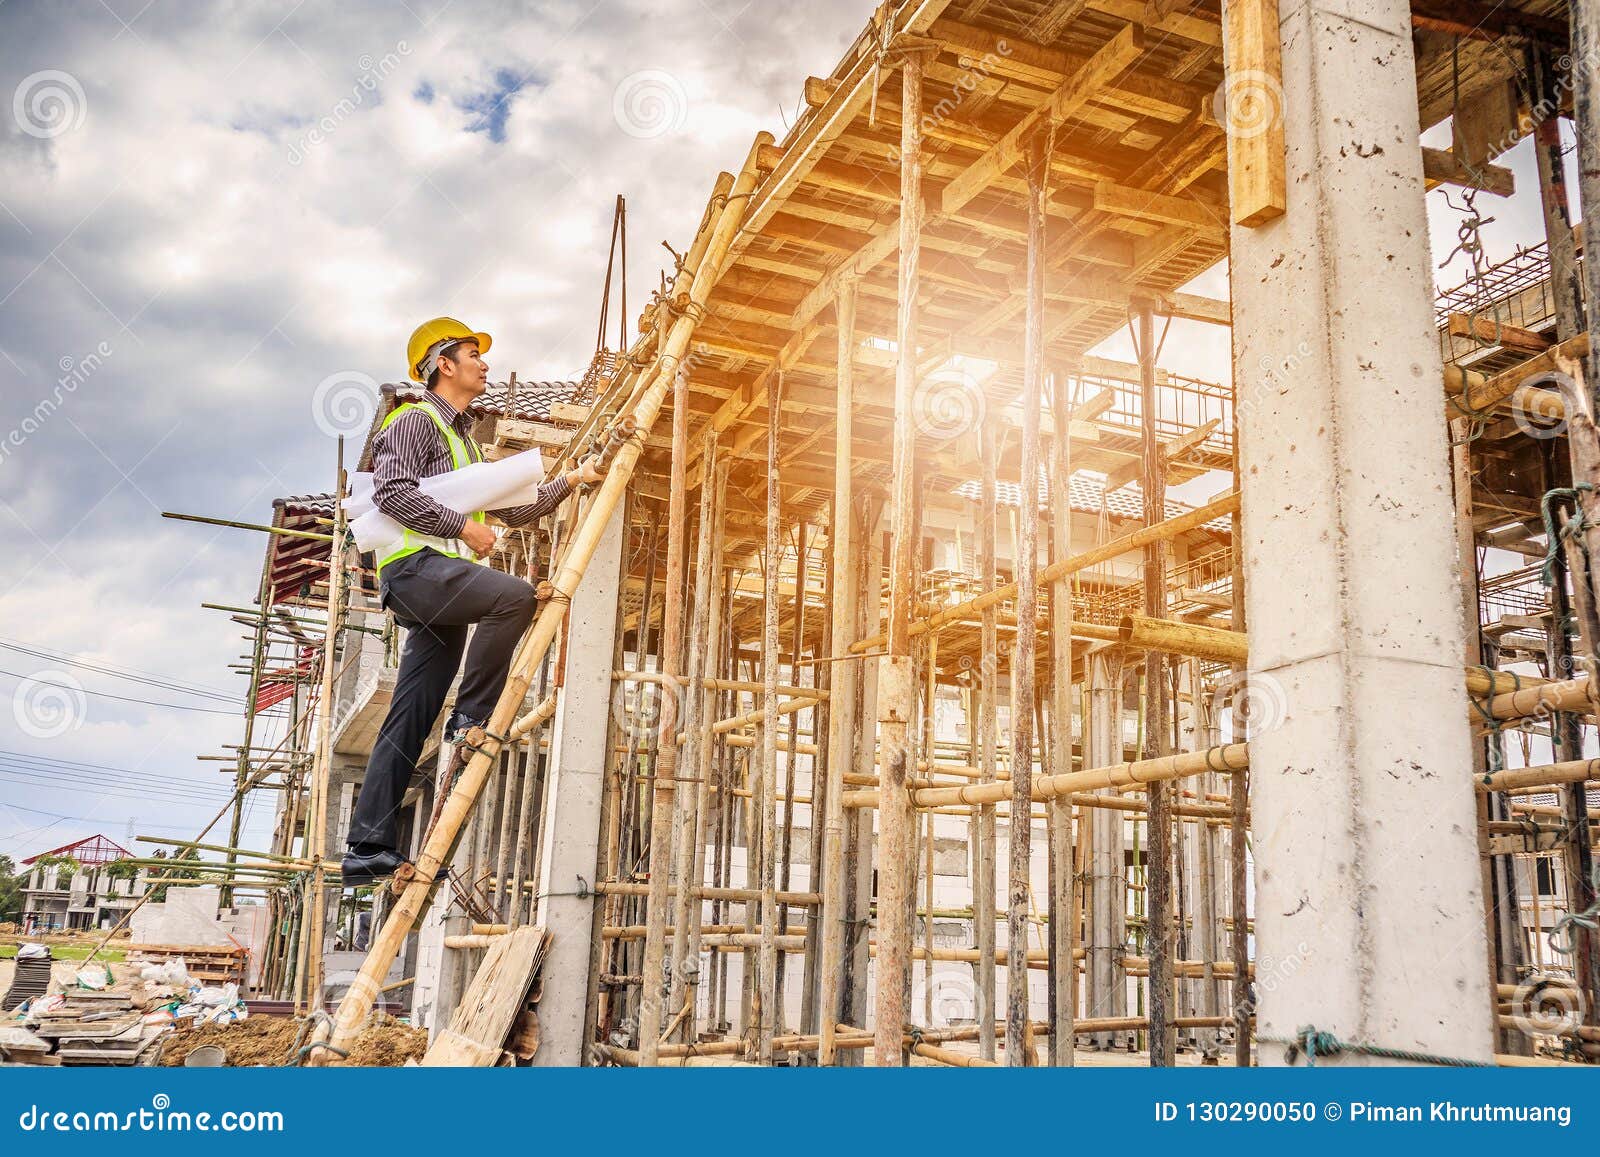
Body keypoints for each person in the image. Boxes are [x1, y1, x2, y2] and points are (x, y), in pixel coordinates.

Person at [340, 317, 604, 885]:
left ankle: (366, 849)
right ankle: (471, 719)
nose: (484, 363)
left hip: (439, 583)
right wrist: (463, 526)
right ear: (444, 364)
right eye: (473, 354)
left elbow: (515, 511)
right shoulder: (413, 421)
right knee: (514, 597)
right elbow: (390, 495)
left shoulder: (461, 440)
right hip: (416, 570)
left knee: (409, 718)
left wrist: (574, 479)